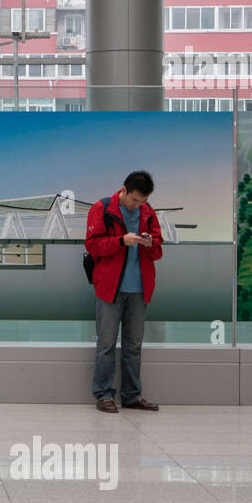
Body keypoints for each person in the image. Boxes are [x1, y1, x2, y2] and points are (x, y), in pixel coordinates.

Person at [85, 170, 164, 414]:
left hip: (139, 289)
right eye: (134, 200)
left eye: (142, 201)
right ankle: (104, 395)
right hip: (111, 288)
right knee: (106, 343)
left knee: (133, 346)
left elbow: (159, 251)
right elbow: (93, 245)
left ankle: (132, 395)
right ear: (123, 190)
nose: (138, 205)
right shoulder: (102, 208)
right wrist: (121, 241)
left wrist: (150, 243)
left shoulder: (148, 213)